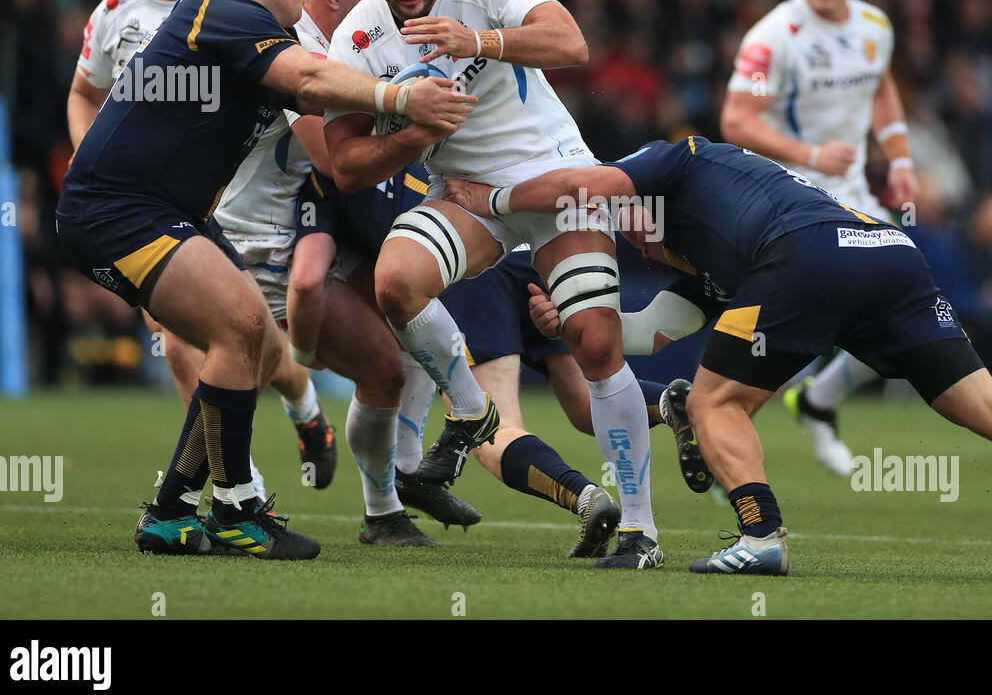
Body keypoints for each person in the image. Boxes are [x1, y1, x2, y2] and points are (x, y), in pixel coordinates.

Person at [443, 137, 992, 585]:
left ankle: (760, 538)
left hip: (808, 255)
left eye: (628, 224)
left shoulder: (678, 157)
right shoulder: (705, 263)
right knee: (990, 404)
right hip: (884, 254)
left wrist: (495, 196)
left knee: (715, 402)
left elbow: (589, 181)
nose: (630, 239)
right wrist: (566, 321)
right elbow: (642, 335)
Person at [56, 0, 471, 560]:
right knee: (244, 328)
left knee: (250, 341)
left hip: (173, 214)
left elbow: (323, 103)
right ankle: (235, 511)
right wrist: (403, 98)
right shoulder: (222, 7)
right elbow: (308, 84)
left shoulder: (246, 27)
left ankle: (170, 514)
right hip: (119, 209)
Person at [323, 0, 661, 569]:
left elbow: (571, 41)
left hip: (557, 176)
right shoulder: (357, 40)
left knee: (595, 342)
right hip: (471, 199)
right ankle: (472, 411)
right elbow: (345, 165)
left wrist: (475, 40)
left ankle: (640, 529)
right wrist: (419, 129)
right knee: (396, 281)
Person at [291, 160, 699, 558]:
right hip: (542, 246)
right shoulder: (514, 131)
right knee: (583, 402)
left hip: (479, 258)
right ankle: (674, 403)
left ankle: (586, 498)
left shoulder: (370, 160)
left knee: (493, 428)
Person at [66, 0, 322, 497]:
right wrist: (95, 157)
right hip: (139, 206)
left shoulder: (256, 14)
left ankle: (301, 404)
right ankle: (231, 489)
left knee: (251, 341)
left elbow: (304, 99)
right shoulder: (116, 11)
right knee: (198, 338)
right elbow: (84, 91)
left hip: (207, 198)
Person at [720, 0, 916, 476]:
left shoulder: (875, 25)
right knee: (774, 341)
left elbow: (880, 88)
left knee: (906, 302)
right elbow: (736, 119)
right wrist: (810, 156)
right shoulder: (772, 37)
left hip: (852, 195)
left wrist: (900, 159)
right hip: (785, 197)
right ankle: (714, 429)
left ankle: (818, 400)